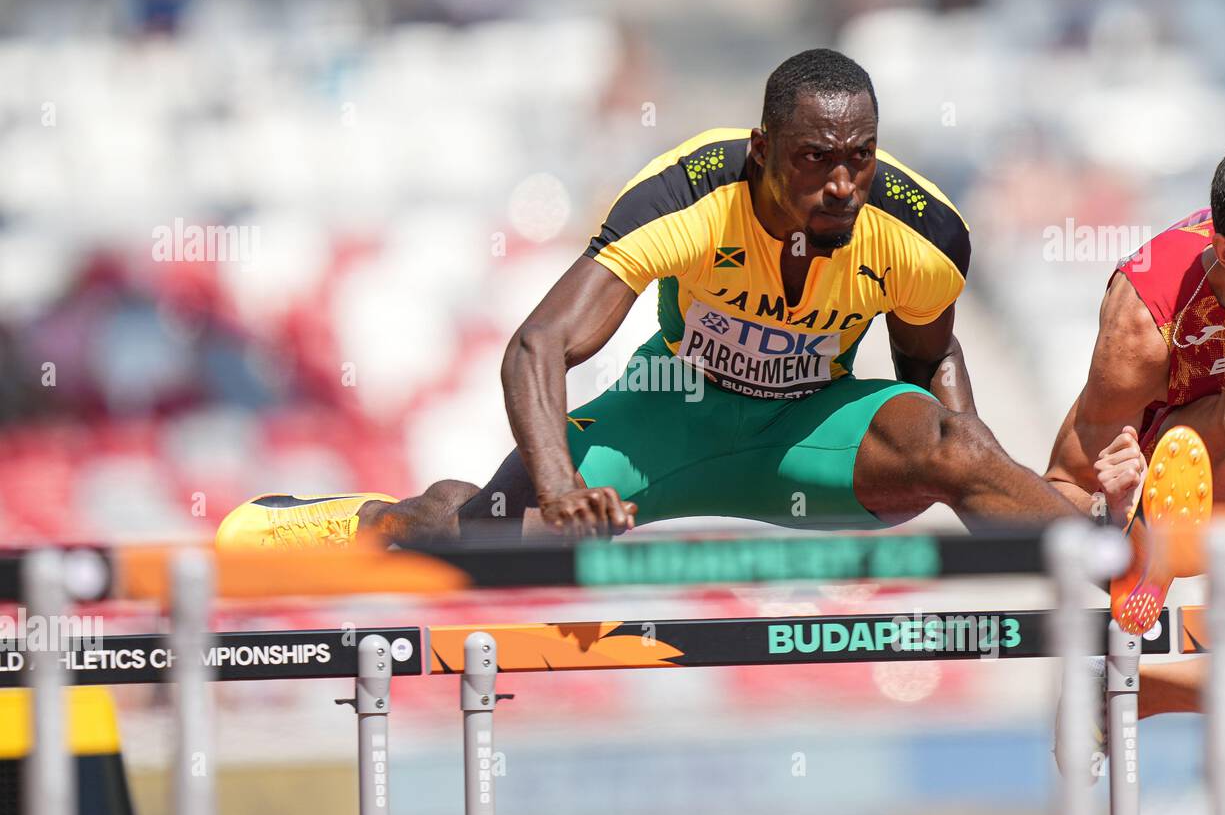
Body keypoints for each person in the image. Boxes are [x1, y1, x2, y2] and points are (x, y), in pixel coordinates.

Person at [216, 48, 1080, 552]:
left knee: (958, 448)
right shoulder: (687, 195)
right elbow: (538, 345)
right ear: (761, 151)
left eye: (860, 157)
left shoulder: (922, 232)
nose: (843, 185)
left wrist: (987, 487)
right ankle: (352, 523)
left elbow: (929, 359)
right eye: (816, 159)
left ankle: (1111, 560)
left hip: (811, 433)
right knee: (477, 539)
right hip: (671, 413)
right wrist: (558, 490)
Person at [1046, 126, 1225, 770]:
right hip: (1180, 483)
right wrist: (1115, 512)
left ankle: (1134, 691)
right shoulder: (1149, 316)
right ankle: (1161, 544)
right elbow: (1062, 483)